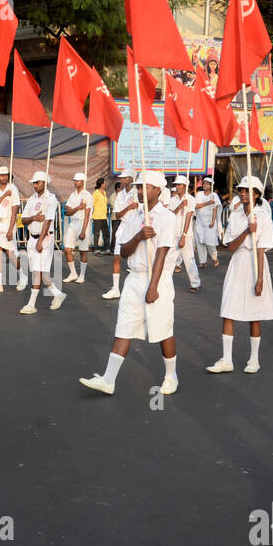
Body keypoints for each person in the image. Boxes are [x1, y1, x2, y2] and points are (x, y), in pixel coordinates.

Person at [79, 170, 177, 396]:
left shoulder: (167, 217)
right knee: (123, 327)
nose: (140, 191)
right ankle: (108, 379)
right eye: (139, 187)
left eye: (145, 187)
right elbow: (123, 251)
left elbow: (162, 254)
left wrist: (153, 287)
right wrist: (139, 236)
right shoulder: (133, 215)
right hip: (134, 278)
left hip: (157, 279)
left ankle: (171, 376)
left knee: (162, 330)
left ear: (158, 190)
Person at [208, 176, 273, 374]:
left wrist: (260, 278)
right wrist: (247, 231)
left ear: (256, 193)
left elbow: (262, 248)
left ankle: (254, 359)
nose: (242, 193)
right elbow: (229, 247)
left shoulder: (263, 216)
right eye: (241, 189)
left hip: (256, 263)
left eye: (247, 190)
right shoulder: (236, 215)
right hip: (237, 263)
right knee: (228, 311)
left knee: (254, 315)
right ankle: (227, 359)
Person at [19, 170, 65, 314]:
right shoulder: (31, 199)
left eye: (37, 182)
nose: (34, 185)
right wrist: (34, 218)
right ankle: (58, 294)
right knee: (40, 272)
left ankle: (31, 305)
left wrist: (40, 241)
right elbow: (23, 219)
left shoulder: (51, 199)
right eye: (33, 182)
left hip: (44, 239)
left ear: (44, 183)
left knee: (37, 272)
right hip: (32, 239)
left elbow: (48, 221)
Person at [0, 166, 23, 292]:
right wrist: (4, 195)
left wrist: (10, 230)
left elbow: (15, 211)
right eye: (1, 175)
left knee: (11, 254)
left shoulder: (13, 189)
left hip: (8, 224)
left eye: (6, 175)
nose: (4, 177)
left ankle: (22, 276)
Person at [103, 170, 137, 300]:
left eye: (124, 178)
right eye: (121, 178)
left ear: (131, 178)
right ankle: (116, 288)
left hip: (135, 227)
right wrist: (128, 208)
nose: (121, 180)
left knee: (135, 259)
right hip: (123, 227)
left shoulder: (137, 192)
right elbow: (117, 215)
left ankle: (136, 290)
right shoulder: (119, 195)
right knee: (116, 257)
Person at [62, 172, 93, 284]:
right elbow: (68, 212)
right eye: (74, 180)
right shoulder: (72, 195)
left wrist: (84, 230)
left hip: (83, 223)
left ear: (83, 181)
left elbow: (87, 214)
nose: (75, 182)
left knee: (83, 250)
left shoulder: (88, 196)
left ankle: (82, 275)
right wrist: (79, 207)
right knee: (67, 249)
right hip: (73, 223)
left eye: (77, 180)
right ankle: (73, 273)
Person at [194, 177, 222, 267]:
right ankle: (202, 261)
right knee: (200, 241)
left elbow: (215, 208)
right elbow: (196, 206)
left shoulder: (214, 195)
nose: (205, 185)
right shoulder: (199, 194)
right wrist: (207, 203)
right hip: (200, 221)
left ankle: (214, 257)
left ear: (211, 185)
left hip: (210, 221)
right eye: (204, 183)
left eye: (207, 183)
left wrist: (213, 221)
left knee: (210, 241)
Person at [92, 177, 110, 254]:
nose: (106, 184)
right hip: (97, 216)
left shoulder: (104, 192)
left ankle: (106, 249)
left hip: (104, 216)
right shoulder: (96, 193)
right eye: (105, 183)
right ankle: (96, 249)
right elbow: (91, 203)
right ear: (101, 184)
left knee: (106, 233)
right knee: (97, 234)